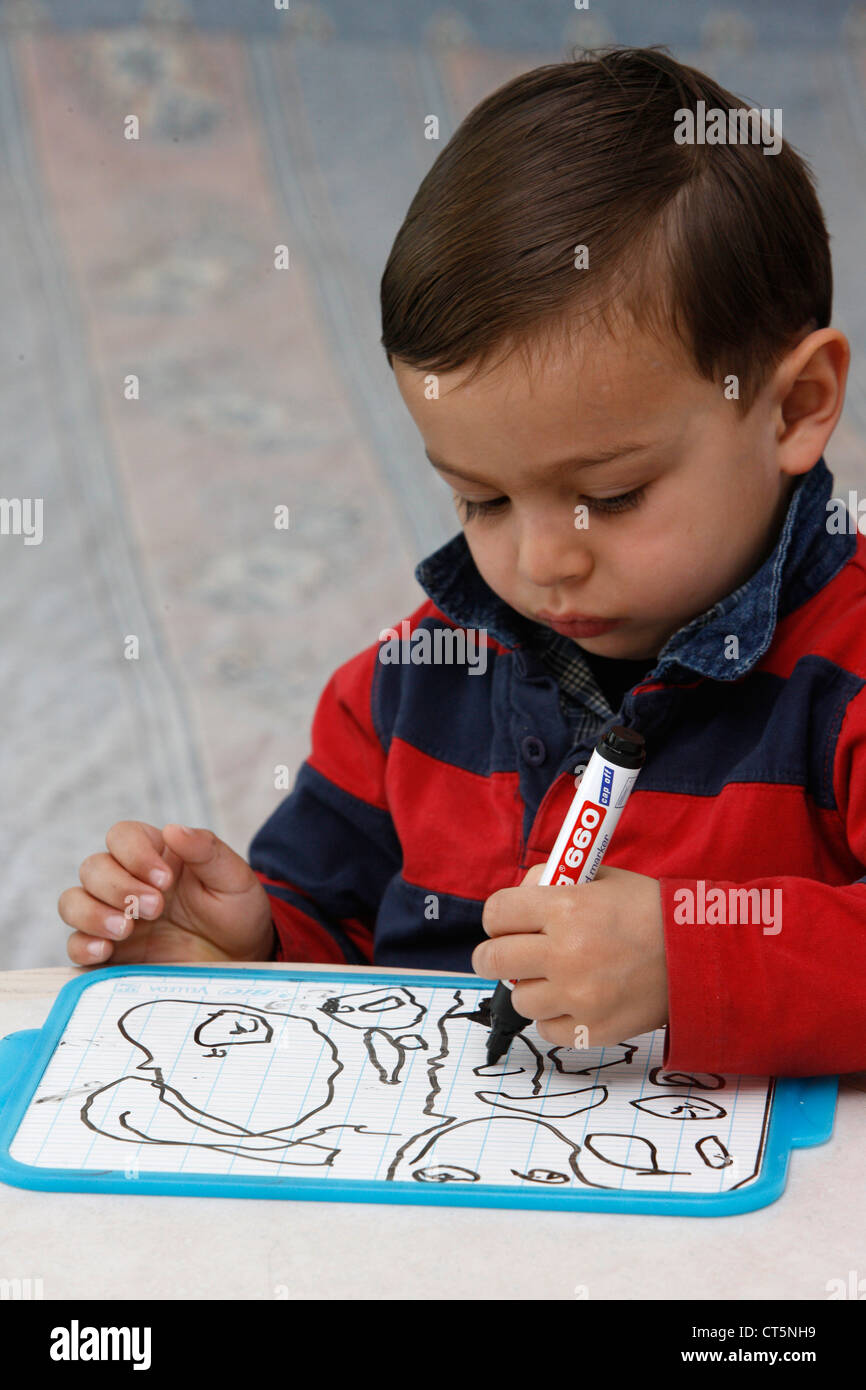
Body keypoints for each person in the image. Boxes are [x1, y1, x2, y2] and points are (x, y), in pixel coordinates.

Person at [58, 48, 864, 1076]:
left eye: (608, 497)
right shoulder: (406, 689)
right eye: (479, 497)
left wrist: (694, 961)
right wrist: (247, 946)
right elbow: (341, 945)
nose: (537, 561)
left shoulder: (846, 682)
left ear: (792, 405)